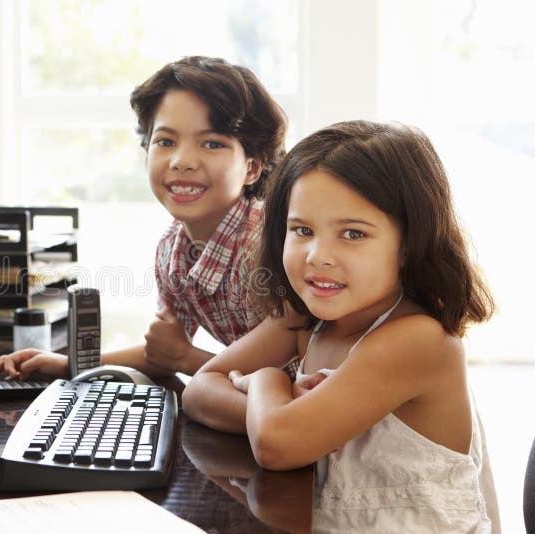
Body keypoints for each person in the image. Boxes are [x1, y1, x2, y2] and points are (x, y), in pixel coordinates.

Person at [182, 120, 500, 531]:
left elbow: (277, 444)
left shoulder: (417, 341)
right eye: (302, 230)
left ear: (409, 244)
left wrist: (267, 383)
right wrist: (281, 411)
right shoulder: (305, 320)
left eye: (352, 233)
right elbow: (200, 391)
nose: (318, 255)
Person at [0, 56, 287, 380]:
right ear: (146, 150)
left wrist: (185, 358)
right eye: (166, 141)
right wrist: (64, 363)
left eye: (212, 143)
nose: (182, 161)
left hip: (310, 396)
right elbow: (162, 353)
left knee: (202, 395)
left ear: (252, 167)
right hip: (262, 394)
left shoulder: (266, 243)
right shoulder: (173, 249)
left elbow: (289, 379)